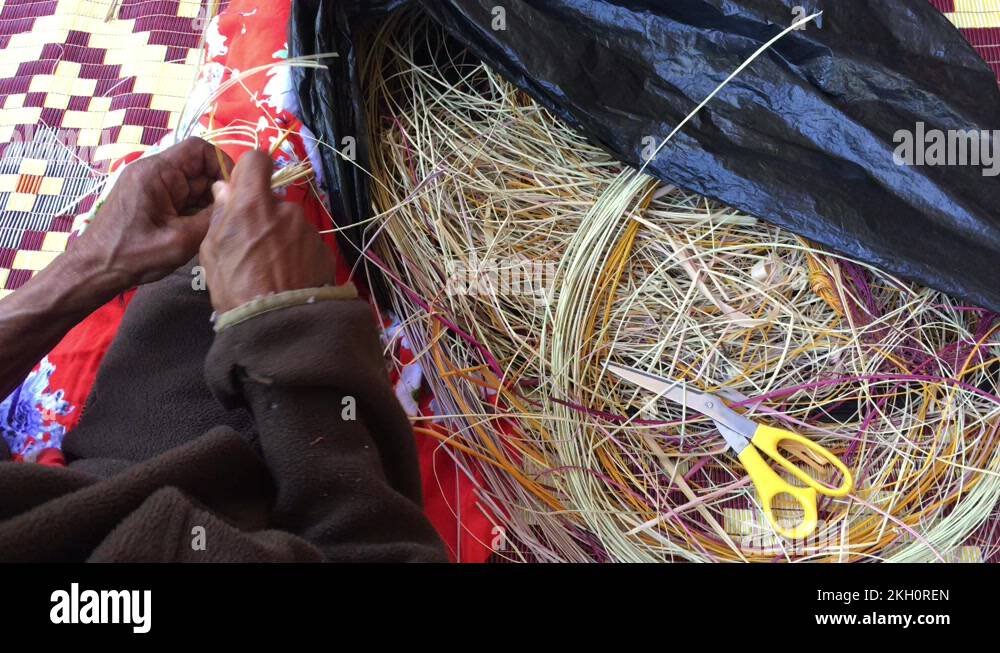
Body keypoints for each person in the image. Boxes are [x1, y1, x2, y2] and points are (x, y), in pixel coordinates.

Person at [0, 138, 448, 562]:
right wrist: (287, 324)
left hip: (90, 498)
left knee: (211, 258)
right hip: (236, 539)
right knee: (254, 261)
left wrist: (94, 262)